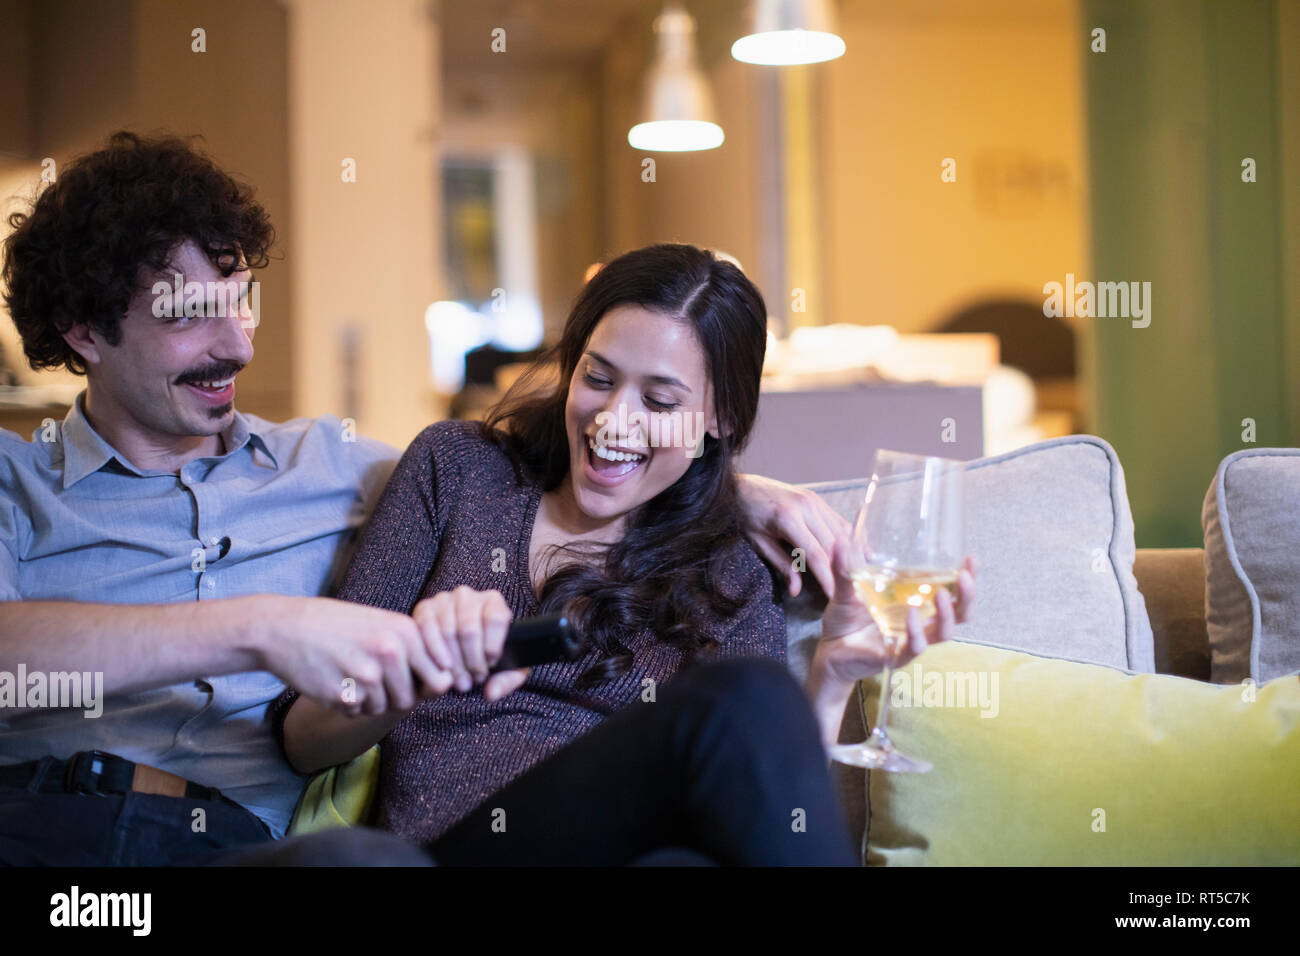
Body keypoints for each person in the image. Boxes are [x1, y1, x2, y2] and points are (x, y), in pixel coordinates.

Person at [0, 131, 870, 866]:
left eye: (243, 302)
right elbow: (304, 730)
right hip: (46, 824)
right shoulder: (15, 477)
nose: (240, 343)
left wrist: (725, 487)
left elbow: (759, 780)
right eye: (192, 313)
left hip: (245, 850)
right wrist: (283, 631)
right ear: (86, 329)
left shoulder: (327, 466)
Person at [273, 243, 976, 866]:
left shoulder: (730, 567)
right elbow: (305, 740)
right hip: (460, 848)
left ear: (719, 420)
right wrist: (419, 669)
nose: (613, 423)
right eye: (599, 379)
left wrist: (829, 680)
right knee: (751, 700)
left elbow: (764, 806)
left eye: (660, 401)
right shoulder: (457, 472)